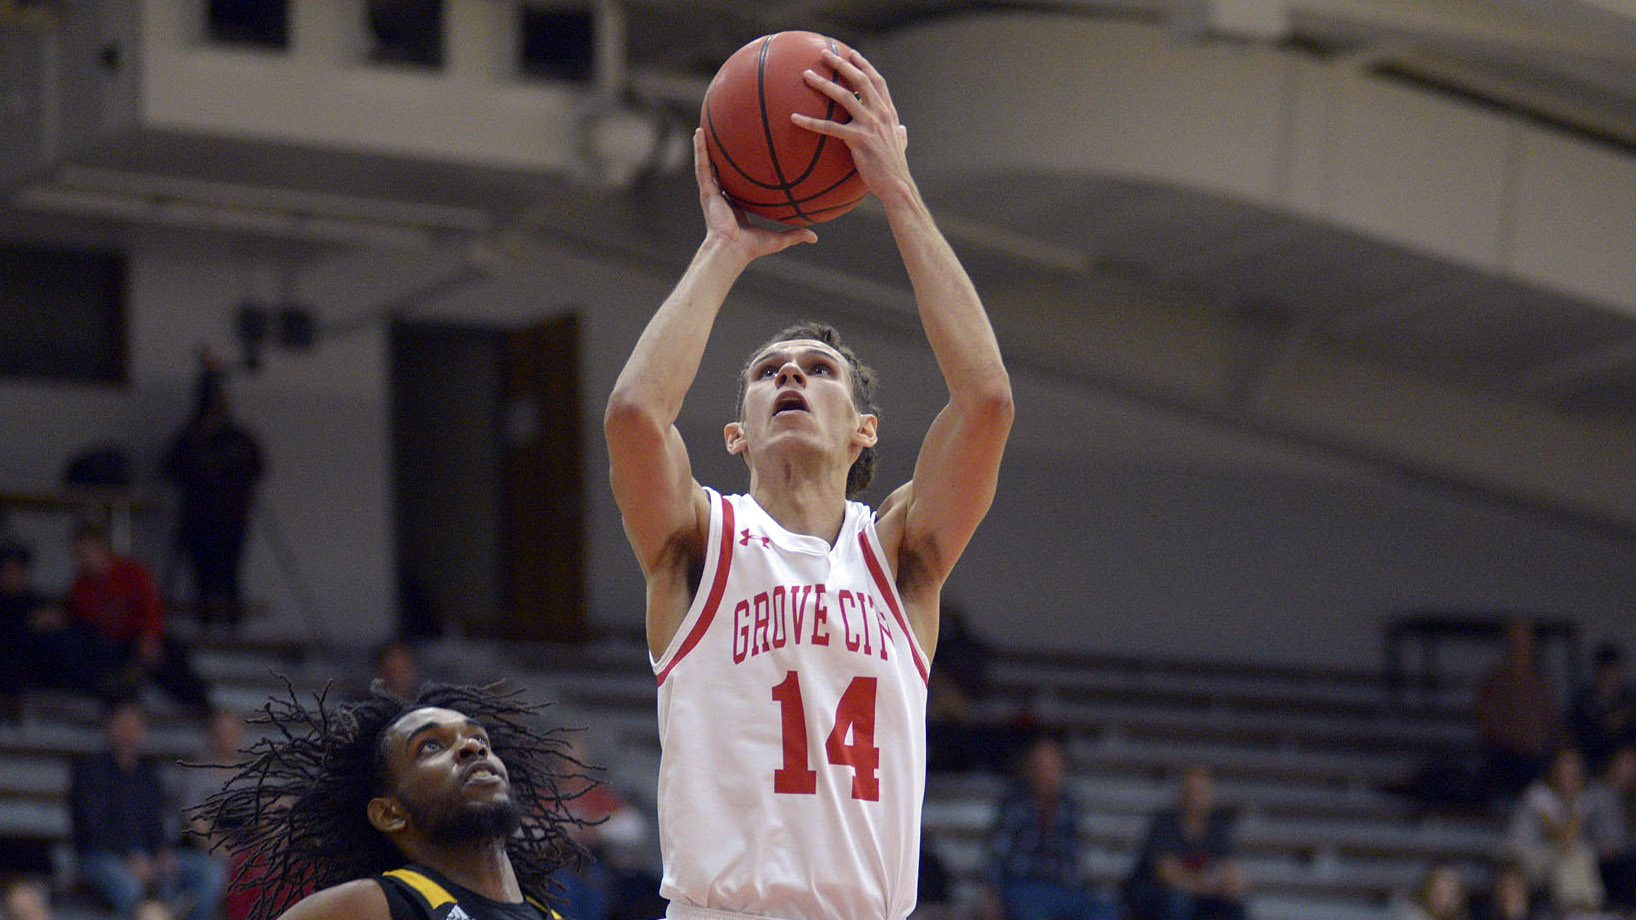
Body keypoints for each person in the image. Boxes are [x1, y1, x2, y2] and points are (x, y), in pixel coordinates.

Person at [603, 41, 1012, 920]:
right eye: (767, 371)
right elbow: (636, 415)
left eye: (818, 369)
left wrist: (896, 191)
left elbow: (985, 403)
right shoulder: (701, 543)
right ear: (736, 435)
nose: (790, 375)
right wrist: (724, 249)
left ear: (865, 430)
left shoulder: (900, 554)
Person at [189, 681, 586, 920]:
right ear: (389, 812)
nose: (471, 748)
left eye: (479, 739)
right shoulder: (372, 905)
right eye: (430, 746)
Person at [69, 701, 222, 920]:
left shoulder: (147, 773)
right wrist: (130, 857)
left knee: (210, 872)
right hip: (102, 856)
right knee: (130, 886)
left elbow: (156, 821)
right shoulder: (89, 771)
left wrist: (162, 850)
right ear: (110, 728)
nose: (129, 732)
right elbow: (92, 827)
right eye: (123, 725)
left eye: (134, 726)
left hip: (147, 855)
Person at [162, 353, 264, 631]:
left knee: (229, 574)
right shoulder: (190, 439)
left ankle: (233, 627)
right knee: (202, 577)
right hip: (198, 518)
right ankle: (205, 625)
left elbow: (256, 468)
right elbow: (170, 468)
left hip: (231, 518)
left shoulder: (238, 439)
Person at [64, 522, 211, 711]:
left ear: (102, 548)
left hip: (142, 639)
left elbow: (151, 606)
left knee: (170, 657)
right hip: (113, 649)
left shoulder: (132, 572)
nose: (86, 558)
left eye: (88, 551)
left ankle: (200, 707)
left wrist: (149, 636)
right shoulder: (80, 588)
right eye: (80, 554)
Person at [981, 734, 1115, 920]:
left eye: (1053, 766)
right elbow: (998, 852)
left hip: (1063, 888)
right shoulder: (1015, 802)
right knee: (1032, 911)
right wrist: (992, 894)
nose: (1047, 773)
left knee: (1105, 911)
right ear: (1031, 768)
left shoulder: (1068, 804)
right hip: (1023, 885)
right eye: (1042, 766)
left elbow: (1073, 858)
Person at [1122, 764, 1250, 920]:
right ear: (1181, 794)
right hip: (1158, 897)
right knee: (1178, 901)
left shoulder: (1218, 826)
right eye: (1191, 792)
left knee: (1235, 903)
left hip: (1200, 894)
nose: (1195, 798)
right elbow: (1168, 874)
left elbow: (1230, 869)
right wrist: (1209, 886)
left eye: (1201, 792)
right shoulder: (1164, 823)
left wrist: (1230, 882)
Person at [1502, 747, 1604, 914]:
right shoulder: (1537, 794)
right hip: (1521, 857)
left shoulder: (1582, 796)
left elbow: (1569, 840)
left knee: (1581, 853)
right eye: (1565, 765)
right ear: (1553, 768)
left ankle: (1586, 910)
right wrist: (1573, 801)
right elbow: (1563, 836)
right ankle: (1577, 911)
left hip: (1552, 856)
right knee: (1571, 855)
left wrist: (1574, 799)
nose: (1569, 772)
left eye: (1573, 767)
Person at [1477, 619, 1562, 803]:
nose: (1521, 644)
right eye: (1515, 639)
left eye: (1525, 638)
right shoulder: (1496, 679)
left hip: (1537, 755)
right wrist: (1519, 742)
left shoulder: (1541, 680)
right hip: (1507, 755)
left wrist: (1543, 742)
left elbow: (1550, 718)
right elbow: (1489, 722)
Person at [1568, 644, 1636, 777]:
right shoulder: (1583, 702)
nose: (1608, 675)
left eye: (1612, 670)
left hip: (1627, 765)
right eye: (1605, 670)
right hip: (1594, 765)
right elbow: (1579, 737)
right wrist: (1606, 726)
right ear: (1597, 671)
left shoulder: (1630, 701)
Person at [1395, 863, 1472, 920]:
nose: (1446, 901)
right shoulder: (1409, 916)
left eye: (1452, 895)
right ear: (1427, 892)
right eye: (1439, 894)